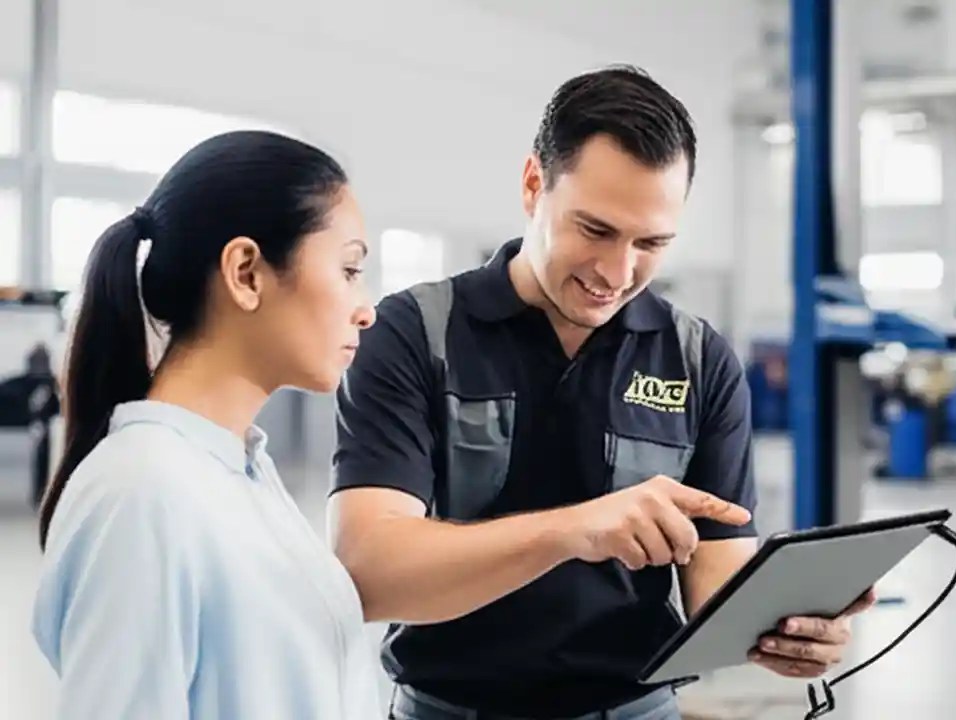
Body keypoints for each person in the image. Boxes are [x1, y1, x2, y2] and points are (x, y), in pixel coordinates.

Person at [329, 65, 875, 720]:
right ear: (533, 184)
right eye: (595, 230)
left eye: (651, 243)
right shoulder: (413, 335)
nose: (617, 273)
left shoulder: (698, 360)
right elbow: (369, 571)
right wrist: (576, 530)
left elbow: (716, 584)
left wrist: (784, 628)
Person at [31, 130, 382, 720]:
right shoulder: (142, 492)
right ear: (246, 273)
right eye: (349, 269)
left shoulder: (238, 469)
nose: (366, 308)